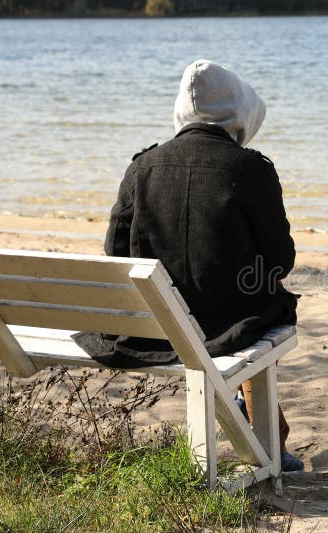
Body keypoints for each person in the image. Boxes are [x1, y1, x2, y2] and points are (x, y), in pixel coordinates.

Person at [74, 59, 303, 471]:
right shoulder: (251, 169)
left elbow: (116, 252)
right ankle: (268, 437)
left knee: (244, 302)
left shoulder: (140, 168)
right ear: (240, 112)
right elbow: (280, 260)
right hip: (227, 326)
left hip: (154, 328)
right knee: (261, 303)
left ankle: (259, 424)